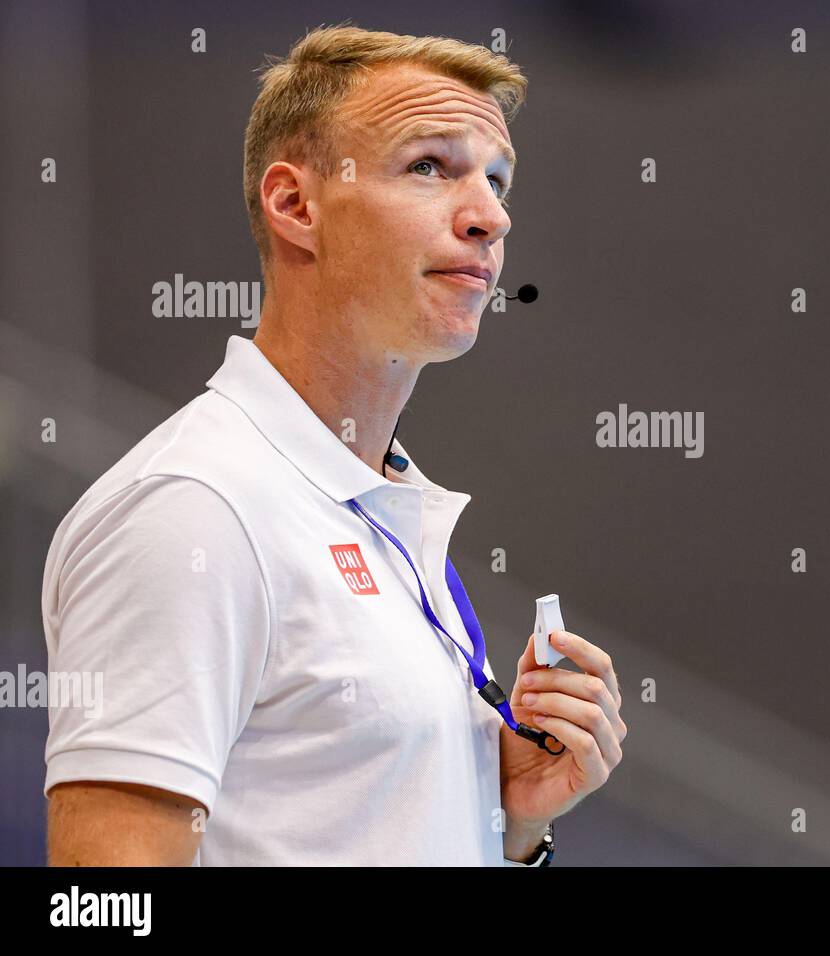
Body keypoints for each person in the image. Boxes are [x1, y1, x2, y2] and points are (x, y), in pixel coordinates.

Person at [42, 24, 626, 866]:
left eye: (497, 181)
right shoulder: (194, 510)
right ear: (295, 206)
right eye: (430, 166)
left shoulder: (374, 508)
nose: (490, 216)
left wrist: (511, 826)